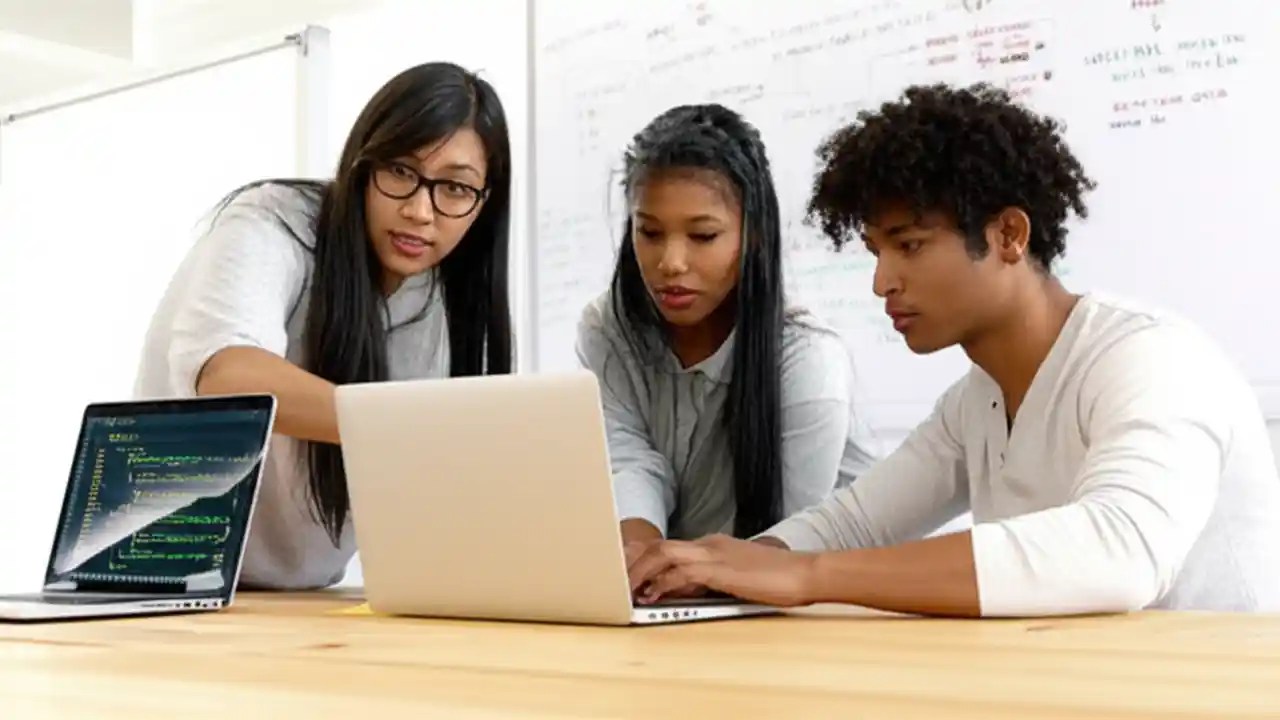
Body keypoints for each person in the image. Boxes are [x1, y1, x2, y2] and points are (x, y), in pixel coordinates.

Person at [627, 83, 1280, 616]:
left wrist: (806, 575)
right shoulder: (976, 402)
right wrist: (713, 572)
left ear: (1008, 235)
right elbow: (854, 524)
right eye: (876, 252)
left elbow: (1119, 551)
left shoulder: (1152, 360)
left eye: (908, 246)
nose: (882, 280)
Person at [133, 62, 513, 589]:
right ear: (362, 164)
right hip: (168, 576)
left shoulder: (443, 295)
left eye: (454, 187)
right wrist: (402, 428)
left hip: (306, 596)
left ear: (483, 203)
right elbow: (226, 374)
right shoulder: (274, 221)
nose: (421, 211)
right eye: (401, 172)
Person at [576, 103, 879, 575]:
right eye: (649, 232)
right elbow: (628, 459)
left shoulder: (808, 361)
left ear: (753, 235)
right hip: (695, 601)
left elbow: (793, 541)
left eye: (703, 236)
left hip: (817, 606)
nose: (670, 262)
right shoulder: (606, 329)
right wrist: (638, 561)